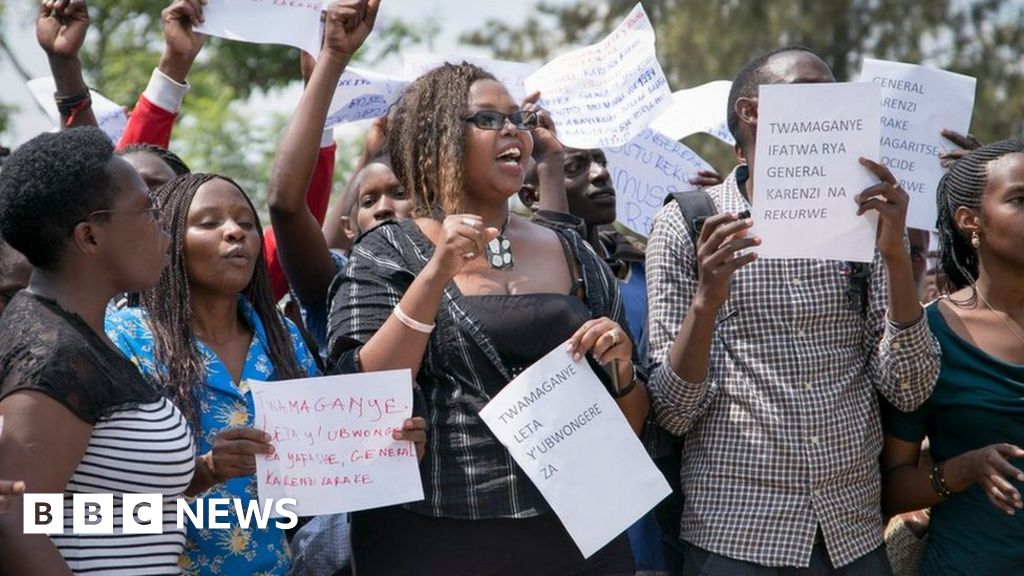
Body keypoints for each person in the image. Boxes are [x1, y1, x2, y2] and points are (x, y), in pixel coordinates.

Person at [327, 62, 649, 575]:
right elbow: (362, 394)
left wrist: (621, 365)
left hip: (577, 531)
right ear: (435, 142)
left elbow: (631, 418)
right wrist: (435, 274)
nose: (512, 130)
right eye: (488, 118)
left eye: (516, 118)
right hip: (436, 536)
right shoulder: (387, 252)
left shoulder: (574, 252)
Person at [645, 46, 941, 574]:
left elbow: (909, 387)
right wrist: (707, 301)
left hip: (851, 533)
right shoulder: (688, 224)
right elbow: (673, 410)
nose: (831, 106)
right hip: (737, 534)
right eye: (812, 91)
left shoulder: (865, 221)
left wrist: (897, 258)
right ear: (751, 112)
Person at [0, 127, 193, 575]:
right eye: (147, 209)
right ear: (89, 237)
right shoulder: (52, 353)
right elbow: (15, 521)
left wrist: (204, 471)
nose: (164, 225)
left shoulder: (75, 334)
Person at [881, 140, 1024, 575]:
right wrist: (964, 469)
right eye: (1019, 200)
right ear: (970, 221)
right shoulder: (930, 336)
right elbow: (891, 488)